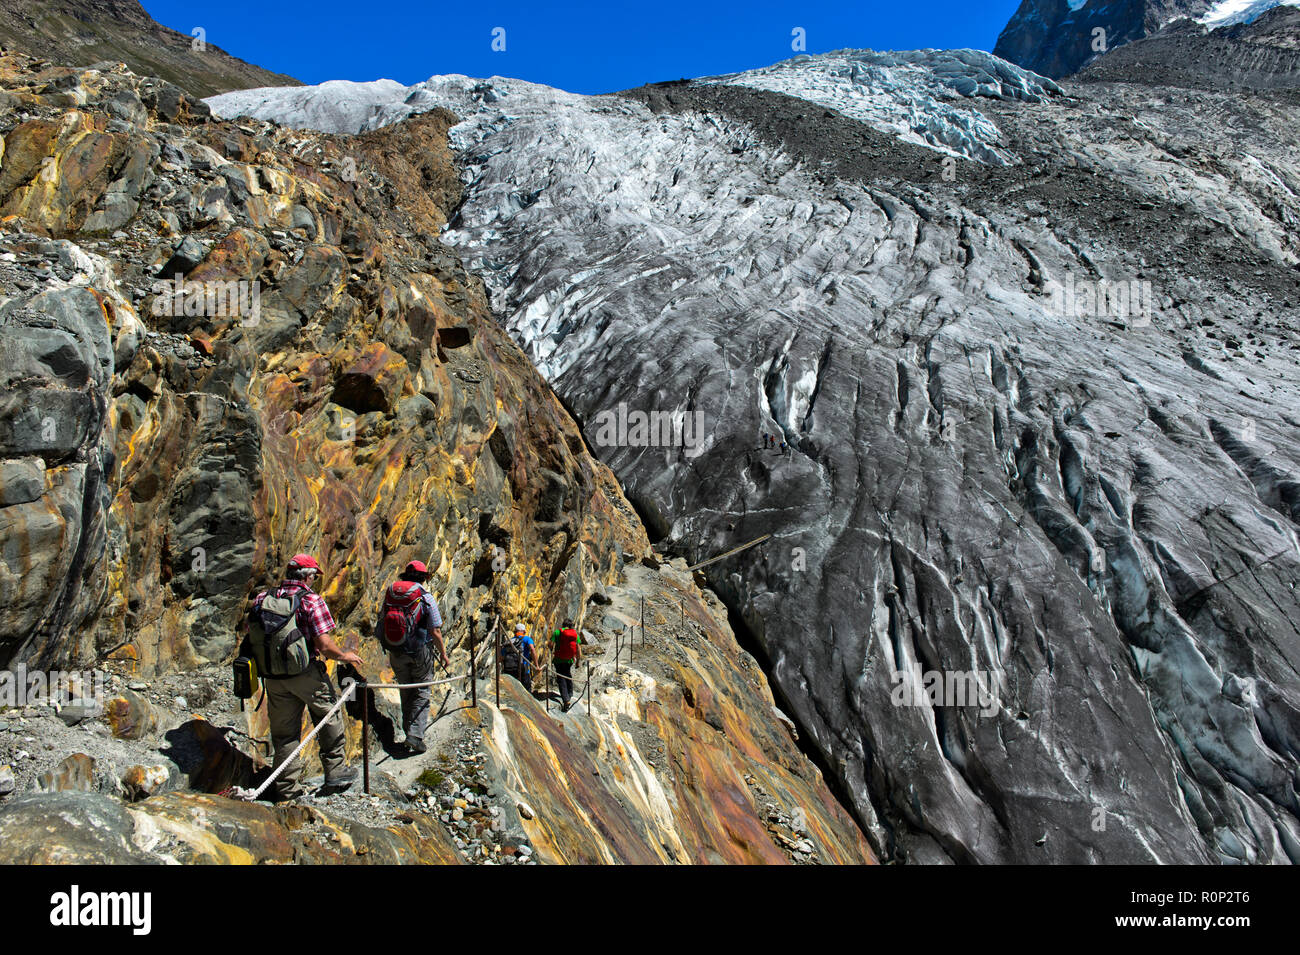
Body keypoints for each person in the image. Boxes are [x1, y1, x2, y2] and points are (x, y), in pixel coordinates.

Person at [248, 554, 362, 800]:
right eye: (314, 576)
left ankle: (287, 788)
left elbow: (253, 633)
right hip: (305, 673)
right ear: (308, 576)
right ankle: (335, 770)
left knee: (284, 734)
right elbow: (324, 645)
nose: (314, 580)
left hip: (273, 676)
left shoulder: (262, 598)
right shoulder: (311, 600)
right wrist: (344, 656)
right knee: (329, 716)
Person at [376, 560, 449, 755]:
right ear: (423, 577)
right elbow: (435, 630)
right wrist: (443, 653)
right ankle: (415, 736)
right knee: (422, 689)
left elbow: (382, 618)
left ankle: (408, 729)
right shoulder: (424, 596)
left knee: (406, 688)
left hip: (396, 649)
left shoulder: (391, 592)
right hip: (419, 650)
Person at [550, 618, 583, 711]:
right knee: (567, 674)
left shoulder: (557, 632)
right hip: (569, 660)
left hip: (558, 659)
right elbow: (578, 648)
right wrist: (578, 661)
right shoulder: (574, 634)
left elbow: (551, 644)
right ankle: (570, 693)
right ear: (571, 626)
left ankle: (566, 699)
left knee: (561, 678)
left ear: (563, 624)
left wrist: (551, 649)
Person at [501, 622, 537, 691]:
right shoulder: (527, 639)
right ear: (524, 631)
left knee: (512, 690)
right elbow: (532, 649)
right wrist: (536, 665)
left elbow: (501, 657)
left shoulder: (509, 641)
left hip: (509, 669)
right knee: (526, 690)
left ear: (515, 632)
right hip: (523, 668)